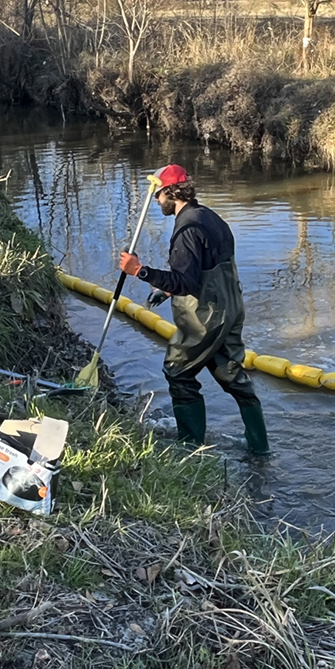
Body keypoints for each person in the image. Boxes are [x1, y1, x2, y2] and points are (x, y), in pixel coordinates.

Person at [118, 164, 269, 454]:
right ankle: (260, 449)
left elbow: (185, 282)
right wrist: (165, 288)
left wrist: (140, 271)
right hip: (231, 308)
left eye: (158, 195)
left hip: (205, 316)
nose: (157, 201)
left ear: (170, 193)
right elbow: (206, 270)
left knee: (178, 372)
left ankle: (189, 448)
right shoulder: (211, 218)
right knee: (232, 375)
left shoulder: (186, 229)